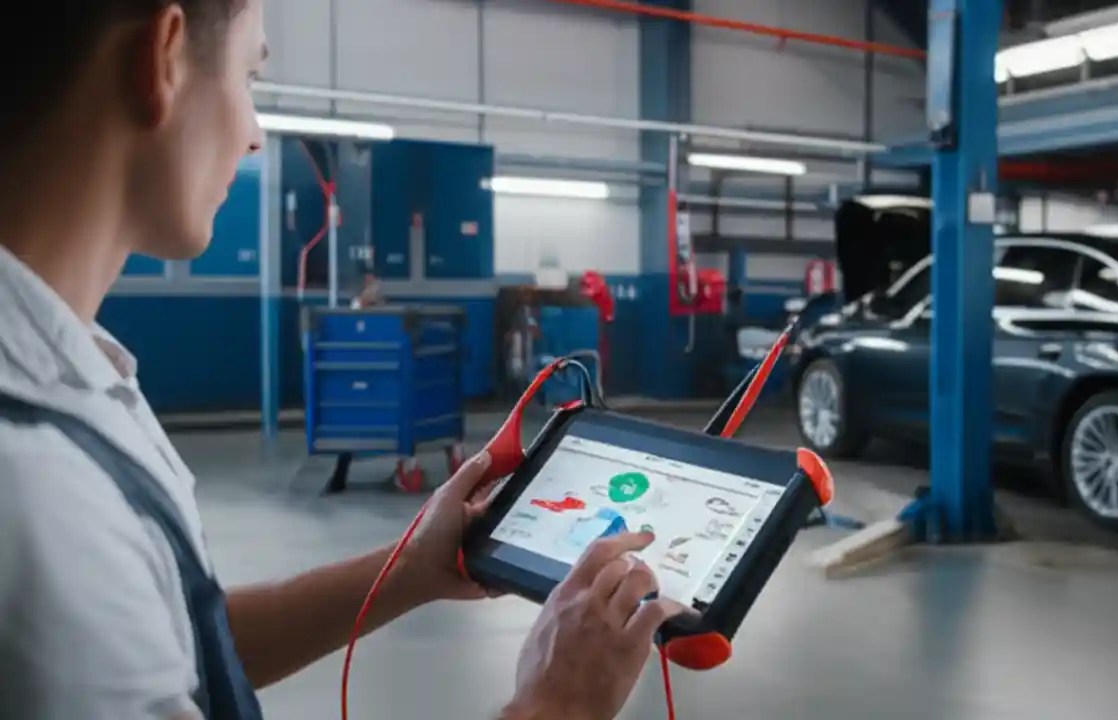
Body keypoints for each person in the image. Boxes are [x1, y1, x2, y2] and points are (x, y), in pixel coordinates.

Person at [0, 2, 682, 718]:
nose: (254, 136)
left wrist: (406, 573)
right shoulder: (38, 492)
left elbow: (174, 640)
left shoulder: (76, 375)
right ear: (162, 60)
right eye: (250, 77)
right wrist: (555, 706)